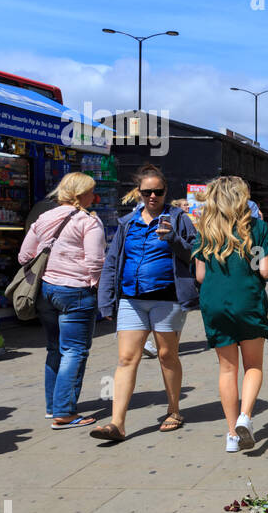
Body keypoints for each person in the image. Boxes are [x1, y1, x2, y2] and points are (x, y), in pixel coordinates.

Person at [92, 165, 197, 442]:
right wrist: (106, 300)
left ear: (165, 192)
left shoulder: (179, 219)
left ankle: (174, 411)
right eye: (147, 192)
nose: (153, 196)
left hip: (167, 299)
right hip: (131, 299)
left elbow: (194, 255)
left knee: (166, 356)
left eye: (158, 192)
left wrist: (173, 239)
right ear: (139, 192)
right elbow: (113, 261)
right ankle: (117, 423)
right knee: (127, 359)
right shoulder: (128, 223)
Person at [191, 176, 268, 453]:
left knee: (227, 369)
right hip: (247, 301)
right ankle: (245, 417)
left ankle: (231, 435)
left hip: (215, 303)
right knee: (253, 366)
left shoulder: (205, 230)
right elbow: (263, 270)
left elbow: (200, 276)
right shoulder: (256, 228)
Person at [19, 172, 105, 429]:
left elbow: (25, 256)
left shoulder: (44, 217)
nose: (94, 196)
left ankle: (52, 406)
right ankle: (64, 413)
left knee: (55, 348)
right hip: (76, 291)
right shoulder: (88, 221)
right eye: (91, 191)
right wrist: (95, 284)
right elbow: (95, 260)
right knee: (74, 351)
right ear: (80, 195)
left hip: (46, 291)